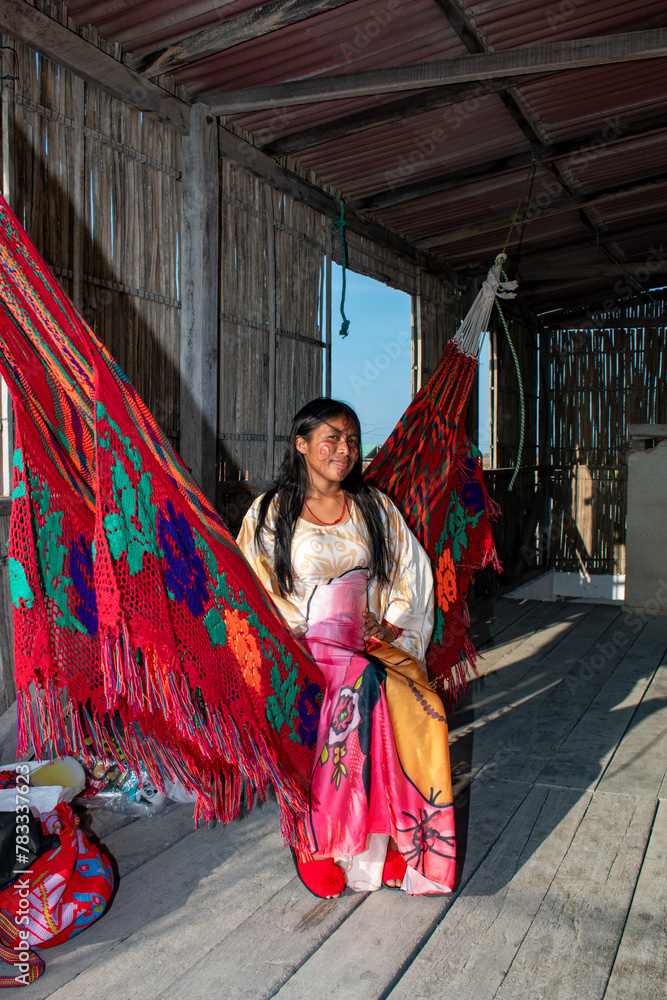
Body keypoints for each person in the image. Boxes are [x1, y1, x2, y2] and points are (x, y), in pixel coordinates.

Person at [237, 398, 456, 897]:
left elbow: (412, 573)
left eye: (352, 440)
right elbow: (251, 589)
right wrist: (295, 635)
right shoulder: (270, 514)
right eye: (331, 438)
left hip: (370, 644)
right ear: (301, 444)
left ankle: (402, 843)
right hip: (303, 649)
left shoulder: (375, 509)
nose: (344, 449)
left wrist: (393, 625)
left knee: (423, 709)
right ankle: (318, 841)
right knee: (359, 694)